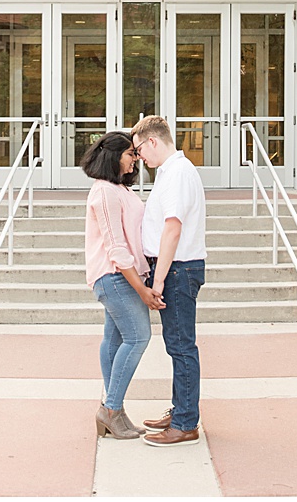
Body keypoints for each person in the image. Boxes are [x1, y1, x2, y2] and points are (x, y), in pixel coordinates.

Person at [131, 114, 208, 448]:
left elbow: (173, 228)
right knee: (178, 346)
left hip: (177, 270)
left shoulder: (176, 173)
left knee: (180, 347)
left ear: (153, 141)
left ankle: (185, 423)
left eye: (139, 150)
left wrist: (158, 279)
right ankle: (181, 410)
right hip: (175, 269)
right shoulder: (172, 171)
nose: (138, 158)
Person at [82, 130, 163, 441]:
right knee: (139, 337)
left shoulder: (120, 190)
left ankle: (115, 409)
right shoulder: (104, 192)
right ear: (113, 156)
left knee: (114, 341)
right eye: (130, 153)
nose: (136, 158)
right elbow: (115, 247)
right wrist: (142, 289)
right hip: (114, 276)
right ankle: (111, 409)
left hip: (124, 276)